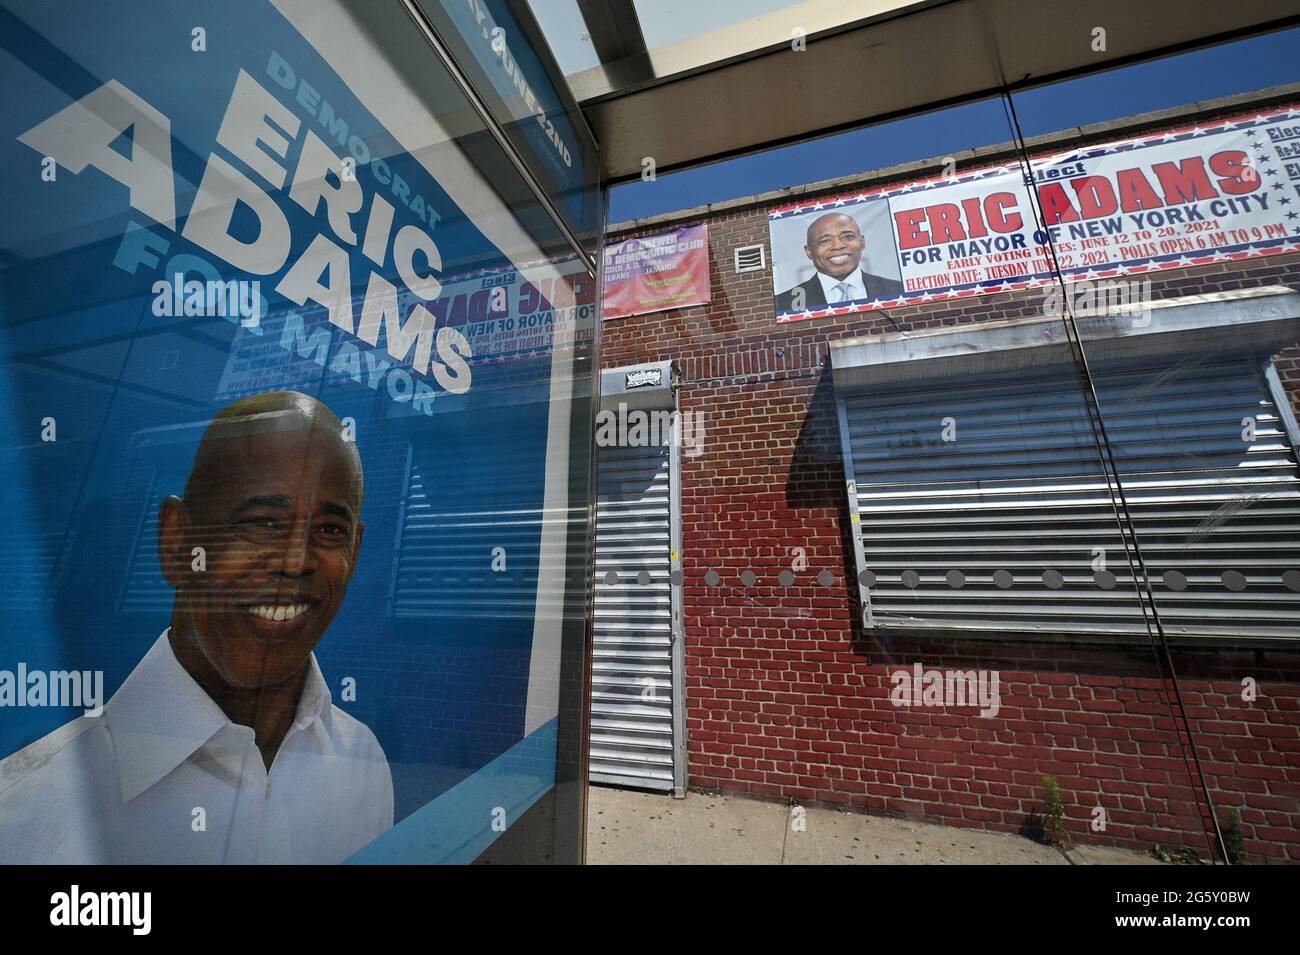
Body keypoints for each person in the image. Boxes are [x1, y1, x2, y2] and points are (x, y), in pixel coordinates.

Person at [0, 391, 392, 863]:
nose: (296, 561)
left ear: (356, 550)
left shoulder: (363, 763)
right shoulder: (27, 814)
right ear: (177, 541)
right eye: (262, 521)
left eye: (330, 530)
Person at [776, 211, 904, 312]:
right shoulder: (783, 304)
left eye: (848, 237)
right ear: (809, 251)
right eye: (825, 241)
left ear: (862, 241)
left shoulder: (898, 290)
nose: (837, 246)